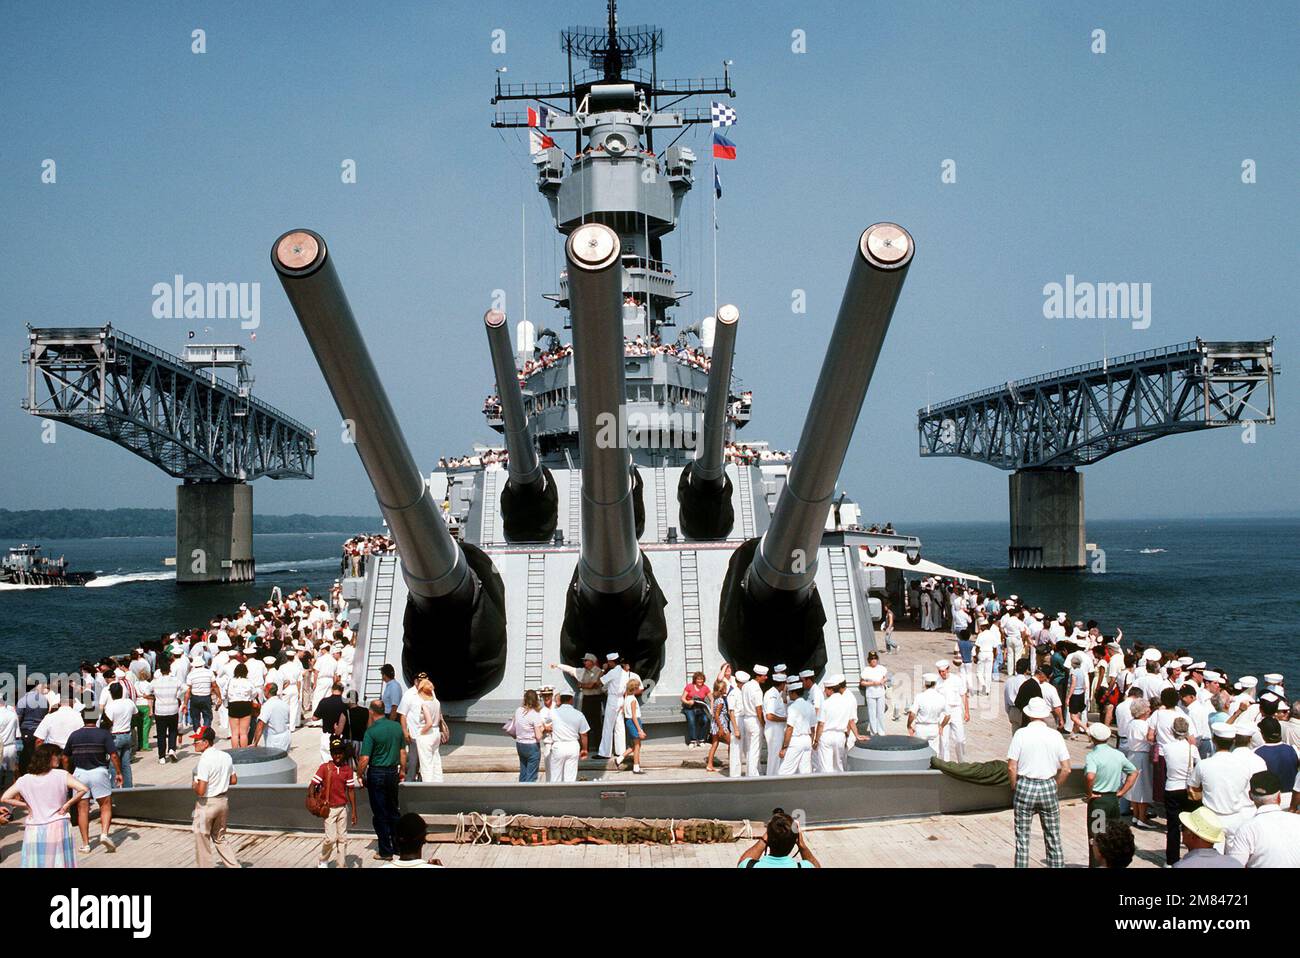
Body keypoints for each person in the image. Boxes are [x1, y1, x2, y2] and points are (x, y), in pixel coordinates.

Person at [1, 743, 89, 868]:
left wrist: (27, 805)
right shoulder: (61, 775)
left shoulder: (25, 779)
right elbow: (83, 789)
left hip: (34, 827)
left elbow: (5, 798)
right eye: (56, 755)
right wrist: (66, 805)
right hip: (57, 824)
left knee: (36, 863)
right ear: (49, 757)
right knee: (59, 862)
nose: (59, 758)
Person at [1007, 698, 1071, 868]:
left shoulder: (1020, 734)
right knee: (1053, 838)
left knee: (1022, 840)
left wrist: (1014, 786)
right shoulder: (1055, 735)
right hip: (1048, 784)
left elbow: (1012, 767)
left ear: (1027, 714)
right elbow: (1066, 769)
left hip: (1026, 784)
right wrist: (1054, 786)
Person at [64, 708, 122, 854]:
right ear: (96, 719)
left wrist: (68, 773)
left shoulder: (74, 735)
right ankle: (104, 834)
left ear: (82, 719)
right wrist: (119, 772)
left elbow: (65, 757)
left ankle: (86, 844)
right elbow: (113, 755)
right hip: (99, 772)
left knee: (82, 809)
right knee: (105, 805)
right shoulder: (104, 734)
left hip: (80, 774)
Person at [1188, 722, 1255, 842]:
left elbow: (1193, 790)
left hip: (1211, 819)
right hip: (1236, 819)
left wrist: (1206, 794)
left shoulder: (1203, 765)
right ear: (1233, 741)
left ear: (1214, 740)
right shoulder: (1244, 766)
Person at [358, 699, 405, 861]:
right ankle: (398, 847)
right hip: (393, 772)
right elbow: (402, 752)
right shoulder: (396, 727)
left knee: (380, 813)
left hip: (377, 772)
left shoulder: (371, 732)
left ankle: (385, 851)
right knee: (394, 810)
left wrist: (359, 774)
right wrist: (403, 770)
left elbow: (364, 758)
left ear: (371, 711)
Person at [1083, 722, 1137, 858]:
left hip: (1099, 801)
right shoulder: (1117, 754)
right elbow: (1134, 772)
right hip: (1113, 800)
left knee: (1096, 838)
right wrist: (1122, 792)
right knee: (1113, 836)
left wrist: (1089, 794)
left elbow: (1090, 776)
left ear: (1092, 738)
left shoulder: (1092, 756)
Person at [1225, 771, 1300, 867]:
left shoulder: (1247, 829)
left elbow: (1235, 865)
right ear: (1279, 797)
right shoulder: (1297, 820)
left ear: (1250, 796)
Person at [190, 726, 239, 867]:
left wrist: (194, 784)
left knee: (202, 841)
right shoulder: (226, 756)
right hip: (223, 802)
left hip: (206, 804)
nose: (194, 744)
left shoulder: (205, 760)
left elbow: (201, 790)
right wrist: (220, 780)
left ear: (206, 742)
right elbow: (234, 780)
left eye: (197, 741)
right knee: (220, 838)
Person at [312, 737, 359, 868]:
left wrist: (354, 811)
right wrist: (313, 800)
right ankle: (323, 859)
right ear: (331, 754)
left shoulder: (347, 770)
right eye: (334, 752)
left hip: (343, 808)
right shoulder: (324, 768)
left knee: (343, 839)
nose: (337, 755)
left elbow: (350, 791)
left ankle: (341, 865)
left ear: (343, 753)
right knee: (330, 839)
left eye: (339, 752)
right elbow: (313, 784)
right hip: (329, 809)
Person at [1161, 715, 1200, 865]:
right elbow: (1199, 765)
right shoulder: (1192, 748)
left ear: (1172, 731)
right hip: (1188, 788)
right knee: (1190, 826)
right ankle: (1192, 856)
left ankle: (1171, 860)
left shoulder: (1167, 747)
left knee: (1172, 827)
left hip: (1171, 787)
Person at [737, 808, 820, 868]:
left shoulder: (748, 865)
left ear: (768, 839)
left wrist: (765, 838)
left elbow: (742, 862)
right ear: (795, 841)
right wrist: (802, 845)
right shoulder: (804, 866)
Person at [1172, 807, 1241, 868]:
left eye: (1183, 828)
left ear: (1191, 836)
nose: (1182, 832)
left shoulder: (1181, 866)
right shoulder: (1235, 864)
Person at [1123, 698, 1155, 828]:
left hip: (1132, 755)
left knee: (1135, 787)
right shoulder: (1144, 725)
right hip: (1142, 755)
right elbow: (1150, 739)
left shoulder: (1131, 723)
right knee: (1143, 787)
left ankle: (1136, 815)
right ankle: (1142, 817)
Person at [547, 691, 590, 782]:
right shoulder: (578, 714)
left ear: (561, 700)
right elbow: (584, 734)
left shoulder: (553, 713)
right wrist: (585, 749)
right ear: (571, 700)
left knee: (555, 778)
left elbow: (544, 724)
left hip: (558, 745)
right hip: (573, 745)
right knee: (570, 778)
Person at [101, 683, 137, 789]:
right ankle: (128, 789)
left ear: (111, 694)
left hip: (115, 736)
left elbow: (109, 723)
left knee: (113, 766)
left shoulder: (111, 706)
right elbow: (136, 714)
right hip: (127, 734)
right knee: (126, 765)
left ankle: (115, 790)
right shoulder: (129, 702)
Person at [411, 678, 447, 783]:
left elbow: (429, 722)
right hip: (436, 732)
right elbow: (439, 718)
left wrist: (420, 733)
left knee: (426, 763)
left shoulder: (424, 703)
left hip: (426, 734)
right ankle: (439, 782)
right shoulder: (437, 702)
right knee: (436, 759)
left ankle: (428, 785)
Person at [778, 682, 816, 775]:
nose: (788, 695)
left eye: (789, 693)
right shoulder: (810, 706)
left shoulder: (793, 707)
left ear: (794, 693)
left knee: (784, 772)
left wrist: (784, 747)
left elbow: (790, 728)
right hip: (807, 740)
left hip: (795, 741)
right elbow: (812, 728)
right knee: (805, 772)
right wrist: (810, 741)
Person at [149, 659, 182, 763]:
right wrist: (177, 696)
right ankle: (172, 749)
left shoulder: (155, 682)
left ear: (160, 670)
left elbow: (147, 691)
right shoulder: (175, 680)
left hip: (160, 710)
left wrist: (154, 696)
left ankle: (162, 756)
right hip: (173, 708)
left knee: (161, 734)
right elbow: (185, 688)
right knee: (173, 731)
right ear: (169, 670)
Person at [597, 654, 628, 761]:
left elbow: (599, 681)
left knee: (608, 726)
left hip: (613, 699)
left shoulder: (612, 672)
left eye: (608, 662)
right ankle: (620, 751)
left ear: (611, 662)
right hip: (621, 699)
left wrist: (603, 669)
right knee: (620, 726)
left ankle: (604, 752)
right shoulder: (625, 673)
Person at [908, 673, 949, 754]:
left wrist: (908, 726)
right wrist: (941, 726)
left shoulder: (920, 696)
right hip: (934, 728)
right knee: (933, 753)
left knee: (918, 753)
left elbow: (912, 714)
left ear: (925, 684)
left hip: (921, 728)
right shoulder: (941, 697)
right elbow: (948, 716)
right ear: (935, 684)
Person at [313, 681, 348, 764]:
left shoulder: (324, 701)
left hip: (327, 735)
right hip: (342, 736)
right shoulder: (346, 703)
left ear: (332, 690)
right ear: (342, 691)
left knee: (326, 761)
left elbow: (314, 718)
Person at [738, 669, 765, 777]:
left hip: (747, 719)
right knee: (755, 749)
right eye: (764, 676)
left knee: (750, 748)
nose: (766, 678)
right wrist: (762, 723)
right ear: (758, 676)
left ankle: (757, 771)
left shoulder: (746, 686)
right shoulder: (757, 689)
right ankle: (752, 774)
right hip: (754, 719)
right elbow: (758, 708)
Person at [183, 657, 219, 732]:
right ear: (203, 664)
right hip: (206, 697)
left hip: (195, 698)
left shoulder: (191, 674)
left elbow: (188, 690)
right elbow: (214, 685)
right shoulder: (209, 672)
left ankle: (198, 733)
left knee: (195, 717)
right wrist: (219, 697)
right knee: (207, 716)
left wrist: (185, 704)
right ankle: (205, 732)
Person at [252, 683, 292, 751]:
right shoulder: (284, 704)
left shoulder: (267, 705)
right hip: (286, 736)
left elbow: (260, 724)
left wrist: (255, 743)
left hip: (274, 740)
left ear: (267, 692)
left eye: (264, 691)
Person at [620, 679, 647, 774]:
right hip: (634, 721)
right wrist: (640, 730)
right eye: (638, 687)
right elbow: (634, 716)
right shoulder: (633, 700)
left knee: (635, 745)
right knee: (637, 745)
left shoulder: (627, 697)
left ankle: (620, 758)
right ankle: (636, 767)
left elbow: (625, 711)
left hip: (628, 721)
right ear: (635, 688)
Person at [705, 678, 732, 773]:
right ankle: (732, 763)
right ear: (722, 689)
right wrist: (721, 728)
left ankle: (709, 764)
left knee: (714, 744)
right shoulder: (720, 701)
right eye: (725, 687)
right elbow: (717, 715)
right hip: (721, 724)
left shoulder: (716, 699)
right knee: (732, 743)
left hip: (714, 725)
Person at [226, 663, 255, 749]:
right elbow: (254, 693)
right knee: (243, 733)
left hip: (233, 704)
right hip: (245, 704)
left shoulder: (230, 681)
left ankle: (235, 752)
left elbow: (225, 692)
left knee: (234, 733)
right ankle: (244, 752)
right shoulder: (248, 681)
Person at [859, 652, 888, 736]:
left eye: (875, 658)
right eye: (872, 659)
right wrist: (872, 683)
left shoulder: (881, 668)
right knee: (872, 713)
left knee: (880, 713)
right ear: (869, 660)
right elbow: (862, 682)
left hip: (880, 692)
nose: (874, 660)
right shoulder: (866, 670)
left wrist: (883, 681)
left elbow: (885, 677)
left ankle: (881, 731)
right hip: (871, 693)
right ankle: (873, 732)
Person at [681, 672, 711, 747]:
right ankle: (693, 741)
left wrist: (712, 709)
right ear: (695, 680)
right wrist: (688, 702)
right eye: (698, 679)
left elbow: (712, 699)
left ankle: (701, 739)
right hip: (689, 708)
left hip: (700, 708)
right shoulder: (689, 686)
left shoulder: (705, 688)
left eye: (702, 679)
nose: (700, 681)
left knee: (706, 720)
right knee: (691, 720)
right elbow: (682, 698)